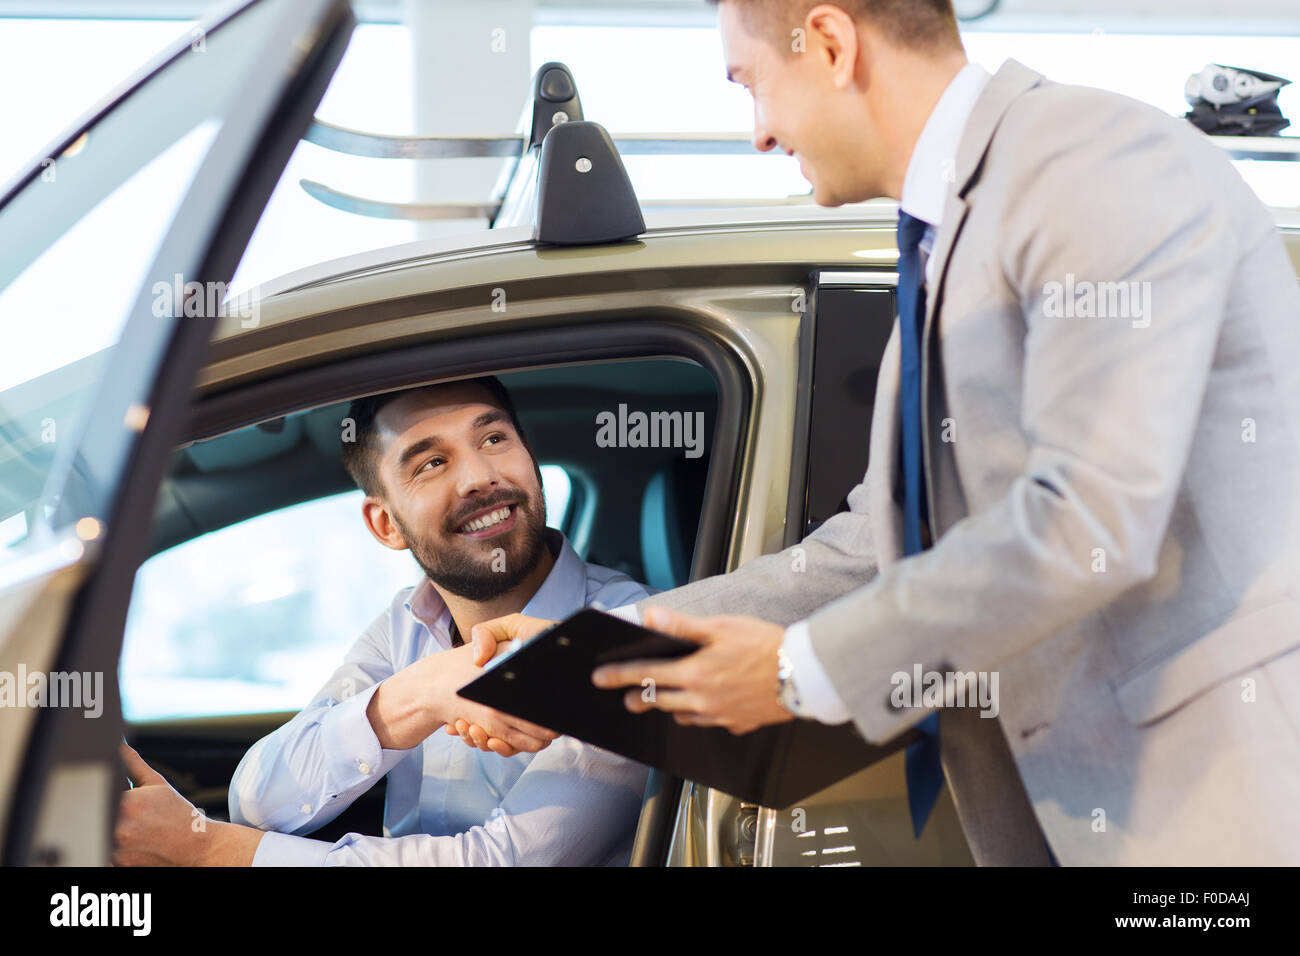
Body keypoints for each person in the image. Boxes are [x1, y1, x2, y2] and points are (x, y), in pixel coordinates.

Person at [468, 0, 1300, 865]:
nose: (759, 134)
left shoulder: (1091, 163)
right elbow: (882, 543)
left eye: (752, 86)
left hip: (1200, 819)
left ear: (829, 43)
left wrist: (799, 670)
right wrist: (607, 644)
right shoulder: (944, 247)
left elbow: (1091, 514)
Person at [112, 377, 652, 866]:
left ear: (529, 459)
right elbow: (257, 800)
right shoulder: (409, 622)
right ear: (386, 524)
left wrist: (211, 849)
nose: (480, 477)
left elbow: (507, 863)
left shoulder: (629, 632)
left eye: (492, 439)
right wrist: (420, 694)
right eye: (431, 463)